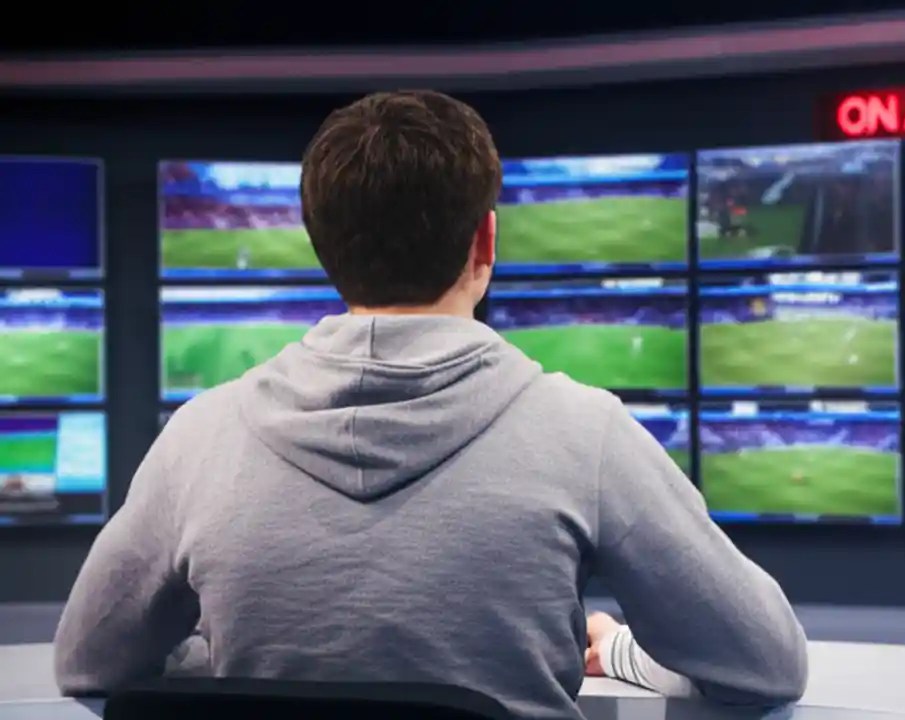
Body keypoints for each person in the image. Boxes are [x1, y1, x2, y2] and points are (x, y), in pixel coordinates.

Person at [53, 91, 808, 718]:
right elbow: (766, 664)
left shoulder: (198, 436)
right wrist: (613, 650)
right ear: (485, 241)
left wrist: (221, 661)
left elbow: (87, 663)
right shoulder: (588, 433)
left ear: (322, 245)